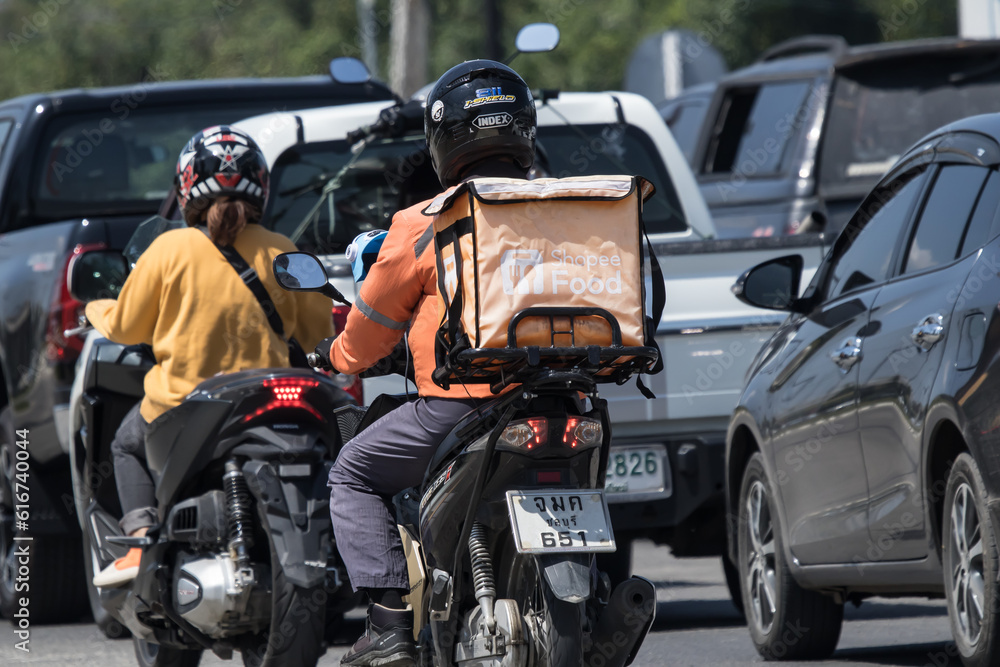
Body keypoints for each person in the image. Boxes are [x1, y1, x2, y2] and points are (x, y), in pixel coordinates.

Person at [316, 60, 537, 667]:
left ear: (445, 141)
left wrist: (338, 356)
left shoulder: (424, 223)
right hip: (564, 399)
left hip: (461, 408)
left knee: (351, 473)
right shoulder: (566, 210)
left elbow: (369, 329)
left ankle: (388, 626)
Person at [88, 125, 334, 587]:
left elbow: (126, 327)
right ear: (260, 183)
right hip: (273, 402)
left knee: (124, 443)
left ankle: (142, 539)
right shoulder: (283, 249)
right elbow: (320, 334)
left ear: (186, 185)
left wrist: (94, 308)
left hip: (185, 408)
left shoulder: (168, 249)